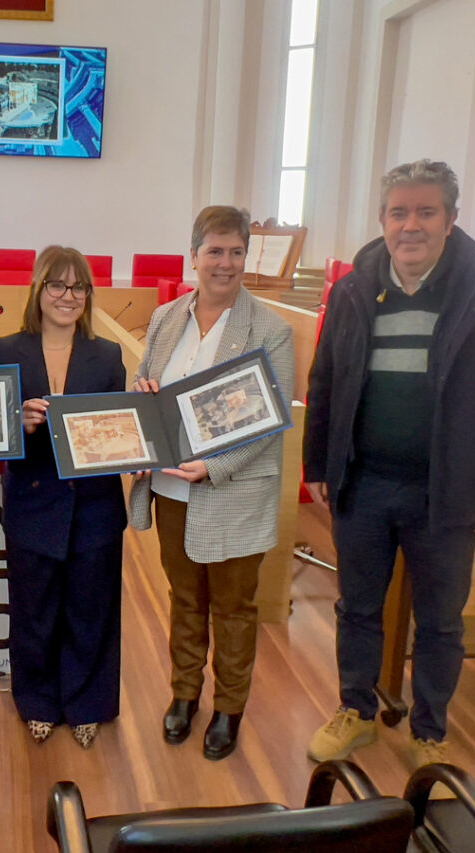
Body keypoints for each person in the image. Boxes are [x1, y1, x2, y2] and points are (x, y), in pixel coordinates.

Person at [303, 159, 475, 768]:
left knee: (441, 619)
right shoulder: (353, 289)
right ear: (383, 220)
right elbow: (326, 380)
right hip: (363, 483)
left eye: (425, 212)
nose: (411, 225)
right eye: (398, 212)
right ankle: (356, 709)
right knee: (356, 606)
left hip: (448, 490)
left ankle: (430, 727)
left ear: (451, 219)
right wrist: (318, 465)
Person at [129, 205, 295, 760]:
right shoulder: (166, 318)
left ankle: (229, 708)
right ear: (193, 255)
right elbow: (144, 382)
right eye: (214, 251)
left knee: (233, 607)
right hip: (172, 486)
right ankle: (184, 695)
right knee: (184, 599)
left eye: (236, 252)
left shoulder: (269, 329)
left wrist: (216, 465)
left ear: (246, 257)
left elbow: (271, 419)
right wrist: (144, 394)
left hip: (232, 490)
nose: (225, 263)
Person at [0, 246, 127, 749]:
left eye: (78, 288)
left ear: (88, 296)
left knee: (91, 608)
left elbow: (117, 436)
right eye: (58, 285)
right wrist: (15, 424)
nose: (68, 297)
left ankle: (88, 703)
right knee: (34, 608)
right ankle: (38, 701)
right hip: (33, 498)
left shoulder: (108, 355)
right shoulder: (6, 348)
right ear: (39, 289)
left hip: (94, 505)